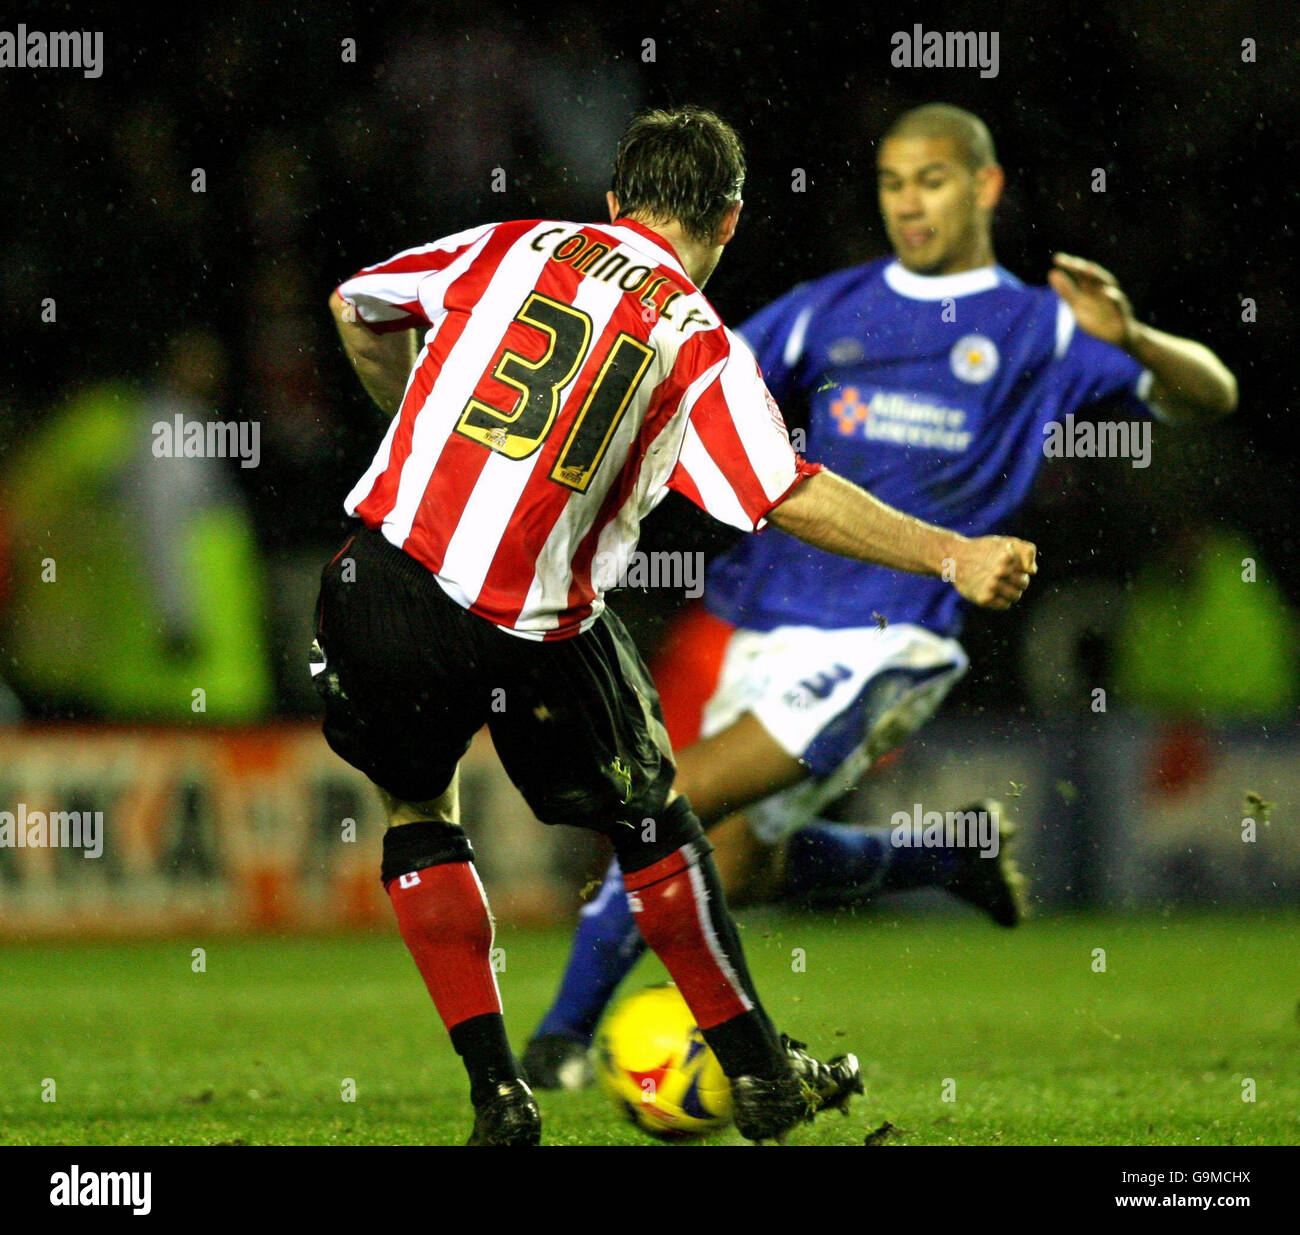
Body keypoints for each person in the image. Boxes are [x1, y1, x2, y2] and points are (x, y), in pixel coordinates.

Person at [313, 105, 1037, 1144]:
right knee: (653, 827)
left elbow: (356, 306)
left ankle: (497, 1096)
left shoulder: (513, 243)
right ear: (732, 221)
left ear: (614, 202)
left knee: (418, 807)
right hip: (534, 618)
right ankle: (760, 1073)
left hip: (380, 576)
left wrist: (415, 418)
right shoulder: (694, 336)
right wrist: (949, 551)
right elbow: (783, 490)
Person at [523, 103, 1238, 1090]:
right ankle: (942, 857)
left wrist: (1140, 338)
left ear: (983, 186)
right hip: (759, 619)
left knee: (665, 802)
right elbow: (691, 378)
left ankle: (551, 1047)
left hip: (889, 637)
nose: (909, 202)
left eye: (932, 180)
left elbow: (1215, 395)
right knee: (735, 864)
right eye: (893, 182)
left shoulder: (1041, 328)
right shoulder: (830, 306)